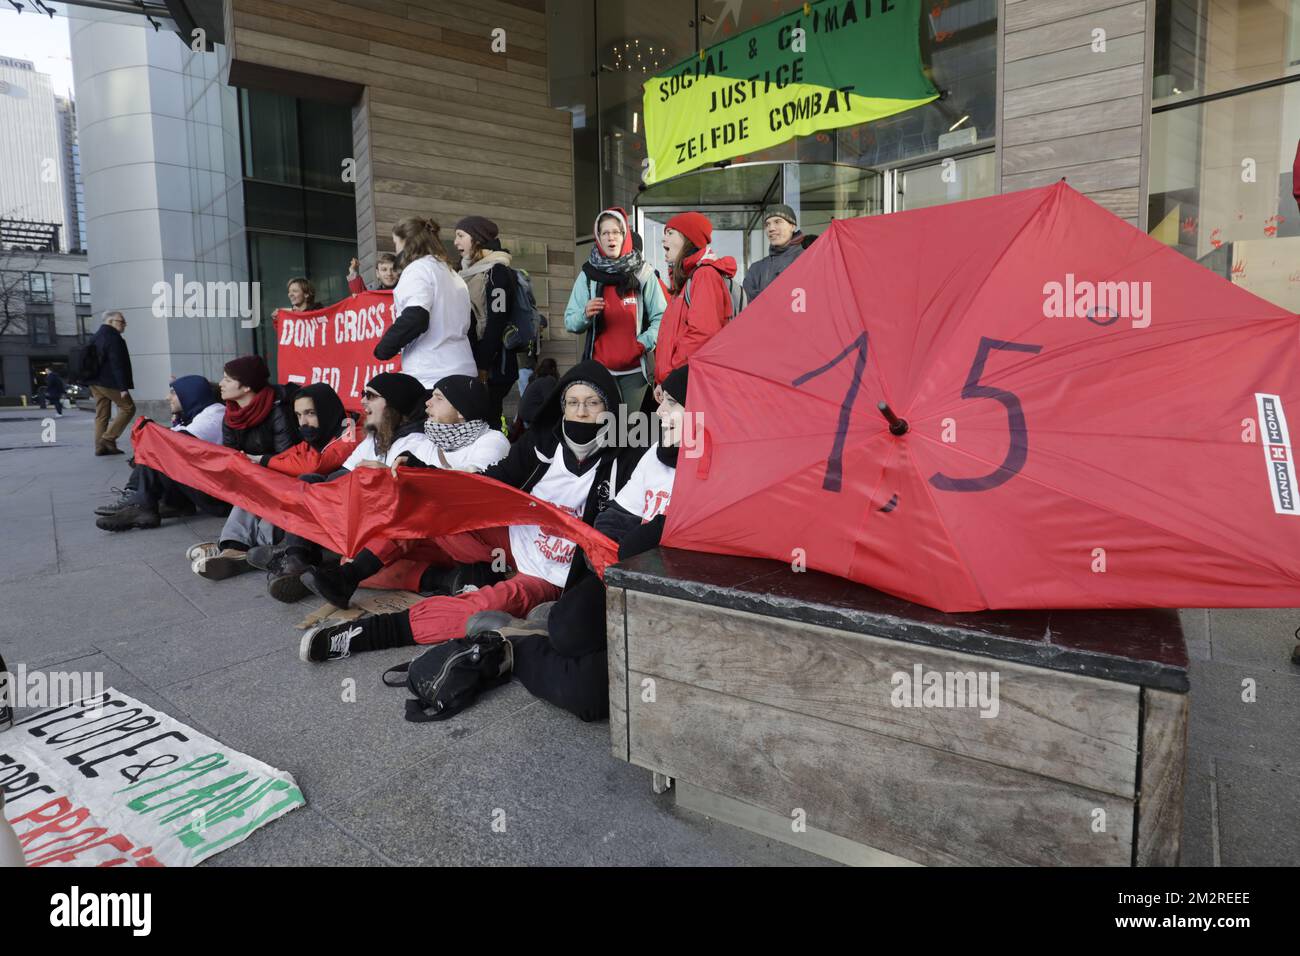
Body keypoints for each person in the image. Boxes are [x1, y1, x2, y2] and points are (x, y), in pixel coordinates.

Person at [297, 360, 643, 661]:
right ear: (562, 407)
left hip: (553, 574)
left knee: (480, 607)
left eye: (592, 403)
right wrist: (427, 476)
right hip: (510, 541)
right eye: (573, 403)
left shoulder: (626, 459)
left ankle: (362, 636)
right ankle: (349, 576)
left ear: (611, 410)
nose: (581, 412)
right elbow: (487, 485)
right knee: (422, 506)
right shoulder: (542, 443)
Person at [470, 364, 689, 722]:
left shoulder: (634, 452)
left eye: (673, 403)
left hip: (662, 599)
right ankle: (537, 632)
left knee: (587, 696)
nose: (659, 411)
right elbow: (614, 520)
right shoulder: (653, 454)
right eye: (572, 403)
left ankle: (516, 647)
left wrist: (654, 534)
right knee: (568, 632)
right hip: (609, 577)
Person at [95, 356, 298, 532]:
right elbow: (229, 456)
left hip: (246, 492)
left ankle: (143, 504)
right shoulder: (232, 413)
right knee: (160, 446)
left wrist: (254, 460)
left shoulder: (274, 412)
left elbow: (286, 461)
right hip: (231, 482)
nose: (221, 384)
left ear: (246, 386)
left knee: (164, 446)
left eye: (228, 379)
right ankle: (144, 504)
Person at [191, 382, 356, 590]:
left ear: (326, 410)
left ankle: (253, 548)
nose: (303, 422)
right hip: (308, 513)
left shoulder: (350, 428)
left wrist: (263, 460)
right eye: (298, 415)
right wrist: (256, 465)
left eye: (310, 413)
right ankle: (233, 546)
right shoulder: (316, 436)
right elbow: (293, 455)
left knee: (297, 484)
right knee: (258, 481)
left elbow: (318, 464)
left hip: (325, 515)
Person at [564, 207, 666, 411]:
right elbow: (570, 321)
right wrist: (585, 314)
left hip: (635, 373)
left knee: (627, 432)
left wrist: (642, 343)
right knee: (604, 430)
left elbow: (662, 317)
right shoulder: (588, 275)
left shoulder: (642, 273)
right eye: (605, 233)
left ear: (624, 235)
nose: (611, 237)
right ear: (598, 238)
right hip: (599, 372)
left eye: (616, 232)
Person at [93, 375, 223, 517]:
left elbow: (178, 444)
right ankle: (164, 502)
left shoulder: (214, 414)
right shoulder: (197, 413)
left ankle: (138, 501)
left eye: (173, 392)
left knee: (158, 448)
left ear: (189, 394)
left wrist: (153, 431)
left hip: (217, 495)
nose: (167, 397)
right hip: (206, 484)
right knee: (154, 448)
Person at [373, 217, 477, 389]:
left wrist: (384, 348)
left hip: (432, 374)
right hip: (463, 369)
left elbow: (416, 316)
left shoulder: (417, 270)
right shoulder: (452, 274)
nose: (396, 249)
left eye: (395, 243)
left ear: (405, 242)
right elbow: (469, 323)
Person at [653, 212, 737, 388]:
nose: (663, 240)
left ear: (688, 239)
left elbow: (702, 333)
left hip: (689, 382)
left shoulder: (704, 275)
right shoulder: (686, 280)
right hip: (680, 381)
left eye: (670, 233)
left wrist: (671, 375)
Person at [454, 215, 517, 428]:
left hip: (493, 367)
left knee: (489, 421)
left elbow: (497, 321)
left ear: (477, 238)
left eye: (461, 236)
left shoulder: (497, 271)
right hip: (473, 361)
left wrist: (482, 366)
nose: (456, 243)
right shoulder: (466, 272)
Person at [742, 204, 815, 302]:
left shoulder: (810, 261)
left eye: (777, 222)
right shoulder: (756, 269)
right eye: (767, 224)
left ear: (792, 226)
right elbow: (747, 303)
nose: (771, 228)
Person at [88, 311, 135, 456]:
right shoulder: (113, 337)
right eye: (121, 321)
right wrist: (123, 387)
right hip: (108, 382)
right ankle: (107, 439)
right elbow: (116, 363)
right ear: (110, 321)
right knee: (128, 408)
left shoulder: (95, 337)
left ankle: (100, 448)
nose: (124, 324)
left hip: (94, 381)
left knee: (102, 414)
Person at [510, 356, 558, 441]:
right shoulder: (548, 380)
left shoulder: (536, 378)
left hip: (523, 413)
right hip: (531, 413)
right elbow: (550, 401)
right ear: (553, 369)